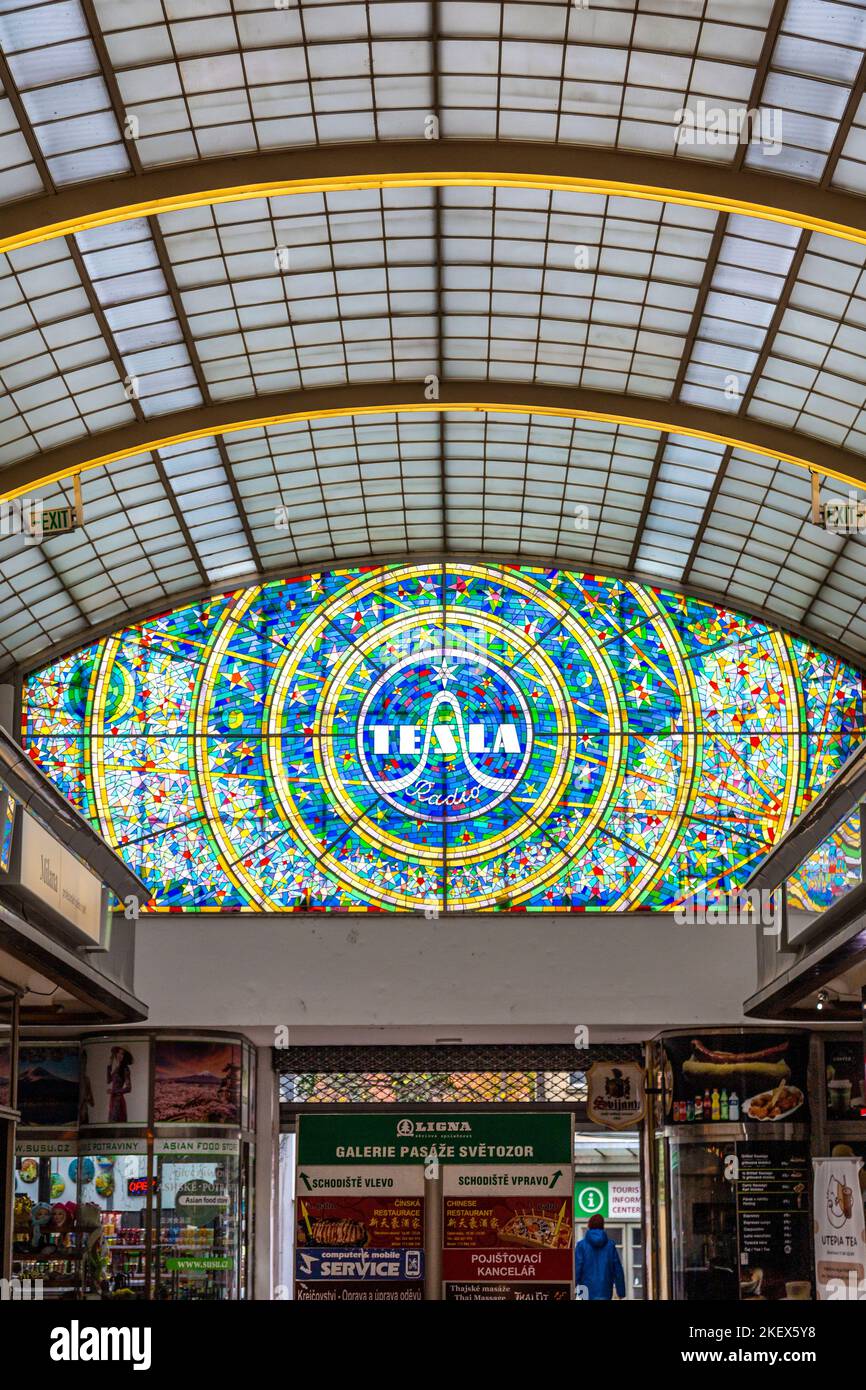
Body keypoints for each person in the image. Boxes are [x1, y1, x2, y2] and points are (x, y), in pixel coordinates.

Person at [574, 1214, 626, 1300]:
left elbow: (576, 1270)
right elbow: (618, 1271)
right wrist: (621, 1292)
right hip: (605, 1292)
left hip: (585, 1293)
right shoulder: (610, 1246)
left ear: (589, 1225)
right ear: (603, 1226)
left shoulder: (581, 1246)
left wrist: (572, 1289)